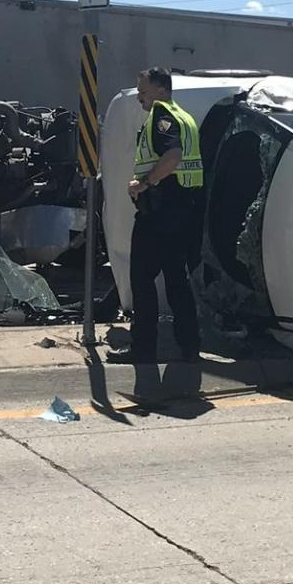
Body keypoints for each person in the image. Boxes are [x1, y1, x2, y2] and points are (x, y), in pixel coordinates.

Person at [109, 67, 204, 365]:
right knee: (177, 280)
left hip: (160, 210)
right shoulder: (185, 116)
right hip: (182, 210)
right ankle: (190, 347)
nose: (139, 98)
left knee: (142, 279)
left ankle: (143, 349)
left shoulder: (162, 116)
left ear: (161, 90)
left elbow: (172, 156)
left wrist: (145, 182)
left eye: (143, 91)